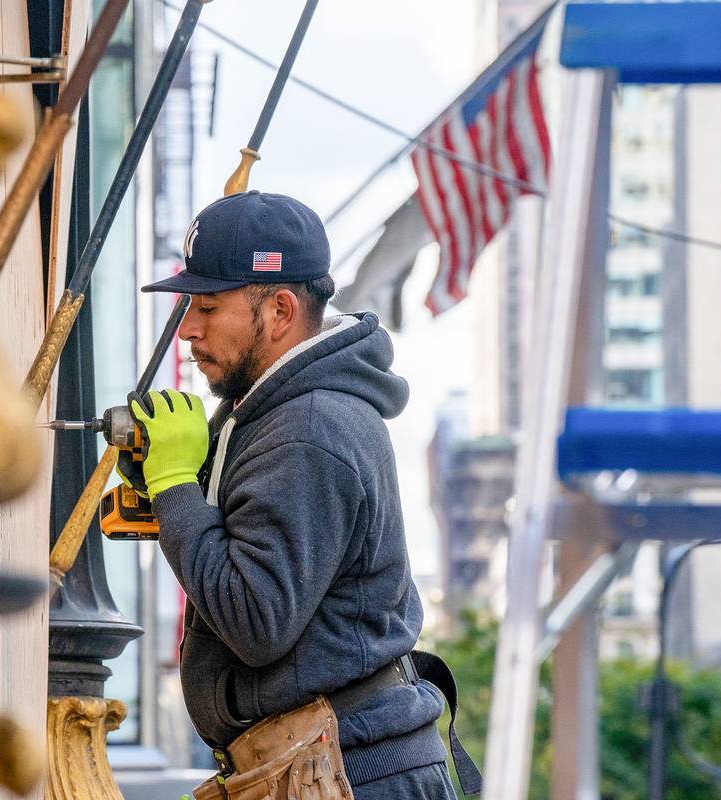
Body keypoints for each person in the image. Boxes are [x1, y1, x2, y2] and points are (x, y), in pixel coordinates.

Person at [127, 191, 480, 800]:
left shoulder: (309, 430)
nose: (187, 330)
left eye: (208, 307)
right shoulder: (275, 415)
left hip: (349, 775)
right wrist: (171, 479)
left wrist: (174, 485)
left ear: (281, 310)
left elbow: (255, 616)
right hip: (318, 765)